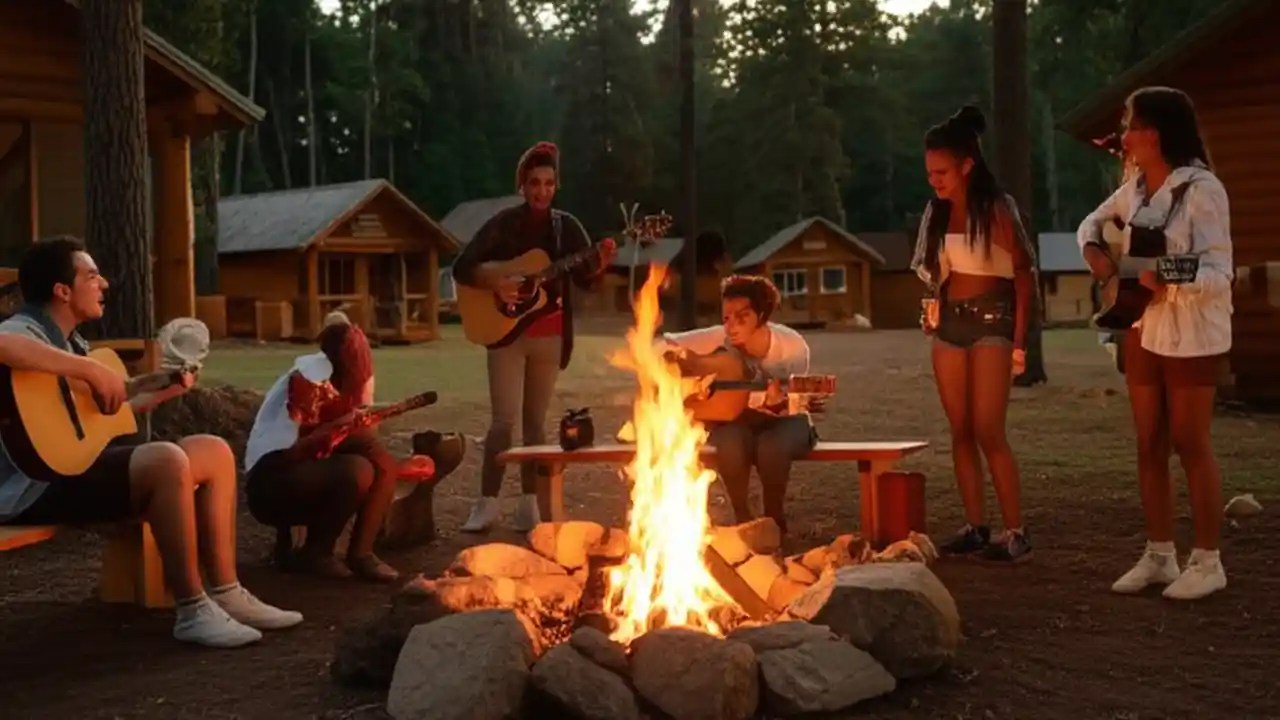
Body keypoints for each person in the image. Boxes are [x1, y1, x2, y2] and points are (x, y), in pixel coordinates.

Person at [0, 235, 302, 648]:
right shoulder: (26, 328)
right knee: (165, 460)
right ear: (62, 290)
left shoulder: (74, 344)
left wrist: (163, 388)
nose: (104, 284)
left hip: (76, 466)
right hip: (32, 484)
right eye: (92, 275)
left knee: (212, 450)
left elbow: (105, 414)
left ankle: (228, 592)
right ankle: (192, 609)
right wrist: (89, 371)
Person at [1077, 86, 1232, 600]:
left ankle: (1207, 561)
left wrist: (1167, 275)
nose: (1123, 136)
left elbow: (1218, 271)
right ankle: (1160, 554)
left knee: (1190, 441)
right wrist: (1099, 254)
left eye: (1130, 125)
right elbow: (1089, 224)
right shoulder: (1136, 189)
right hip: (1145, 327)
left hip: (1194, 333)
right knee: (1150, 444)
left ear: (1155, 133)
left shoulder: (1203, 190)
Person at [451, 141, 616, 533]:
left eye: (548, 183)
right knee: (502, 422)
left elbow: (585, 281)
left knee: (535, 425)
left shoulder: (567, 227)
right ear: (522, 186)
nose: (541, 190)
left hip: (550, 334)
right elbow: (463, 267)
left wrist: (598, 265)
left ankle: (529, 506)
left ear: (556, 186)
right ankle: (486, 503)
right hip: (505, 333)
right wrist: (498, 281)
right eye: (534, 183)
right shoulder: (504, 223)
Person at [910, 105, 1039, 563]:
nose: (934, 180)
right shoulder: (938, 213)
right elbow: (932, 273)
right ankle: (976, 525)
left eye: (942, 171)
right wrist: (932, 311)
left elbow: (1023, 275)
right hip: (951, 323)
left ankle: (1015, 529)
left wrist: (1020, 341)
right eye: (929, 172)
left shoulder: (996, 209)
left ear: (968, 165)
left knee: (988, 429)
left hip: (992, 321)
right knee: (960, 429)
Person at [243, 315, 404, 583]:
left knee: (375, 458)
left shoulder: (346, 383)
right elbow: (292, 452)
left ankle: (360, 552)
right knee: (359, 470)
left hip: (303, 469)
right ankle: (322, 553)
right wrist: (335, 430)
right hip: (270, 481)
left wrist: (354, 428)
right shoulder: (307, 382)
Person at [659, 274, 816, 534]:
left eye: (741, 318)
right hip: (739, 418)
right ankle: (742, 518)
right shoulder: (720, 338)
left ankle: (774, 520)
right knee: (729, 443)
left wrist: (782, 400)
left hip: (786, 420)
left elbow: (801, 399)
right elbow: (659, 345)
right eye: (726, 318)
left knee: (771, 447)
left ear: (762, 315)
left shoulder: (792, 347)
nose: (731, 327)